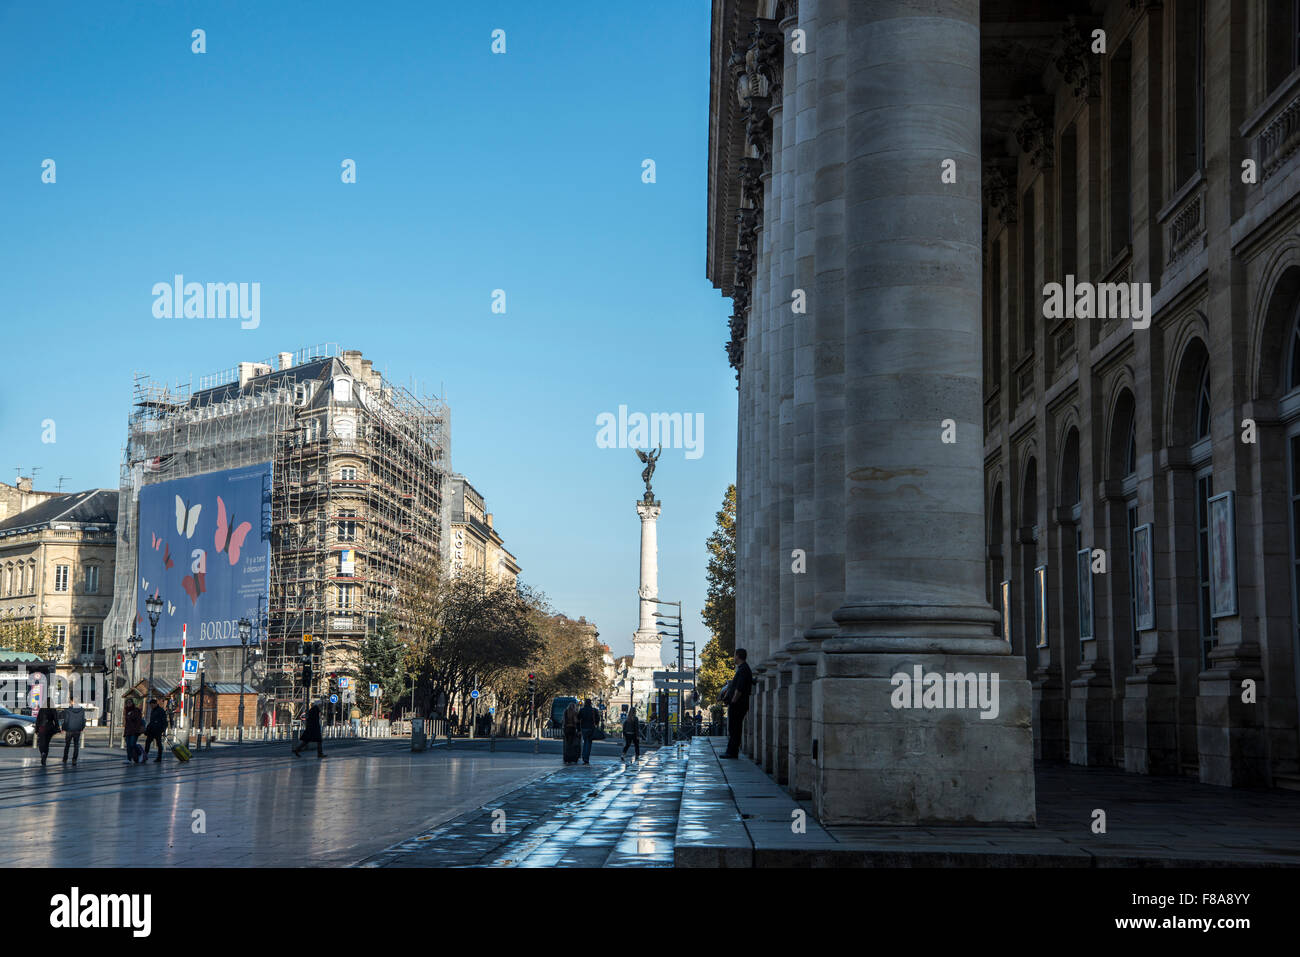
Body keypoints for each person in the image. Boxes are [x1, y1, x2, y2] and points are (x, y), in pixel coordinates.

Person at [722, 648, 753, 759]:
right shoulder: (743, 669)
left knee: (734, 728)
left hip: (738, 704)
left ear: (738, 656)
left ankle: (732, 752)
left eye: (734, 655)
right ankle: (731, 751)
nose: (733, 658)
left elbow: (739, 688)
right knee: (735, 728)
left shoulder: (743, 670)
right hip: (739, 703)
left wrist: (733, 701)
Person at [61, 696, 87, 765]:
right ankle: (74, 760)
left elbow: (66, 721)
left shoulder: (68, 710)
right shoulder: (82, 710)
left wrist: (63, 728)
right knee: (76, 745)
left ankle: (65, 758)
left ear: (72, 701)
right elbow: (83, 720)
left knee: (67, 745)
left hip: (69, 730)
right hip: (77, 730)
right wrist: (82, 728)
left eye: (70, 701)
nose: (69, 702)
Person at [35, 700, 61, 767]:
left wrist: (36, 729)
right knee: (47, 743)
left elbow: (38, 719)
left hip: (42, 728)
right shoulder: (53, 709)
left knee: (41, 742)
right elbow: (56, 719)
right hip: (50, 728)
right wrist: (57, 728)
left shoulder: (41, 709)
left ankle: (42, 753)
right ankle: (45, 756)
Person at [143, 698, 169, 763]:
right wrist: (147, 729)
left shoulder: (160, 710)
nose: (151, 706)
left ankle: (159, 757)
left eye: (152, 705)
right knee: (147, 743)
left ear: (155, 704)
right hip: (152, 730)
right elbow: (152, 721)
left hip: (158, 730)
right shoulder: (153, 710)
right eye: (150, 705)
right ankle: (145, 756)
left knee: (159, 744)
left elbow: (164, 721)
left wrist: (162, 729)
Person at [578, 697, 599, 765]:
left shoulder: (582, 710)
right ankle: (586, 758)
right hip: (591, 728)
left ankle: (584, 756)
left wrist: (579, 728)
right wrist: (595, 724)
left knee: (585, 742)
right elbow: (597, 719)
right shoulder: (594, 710)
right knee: (589, 743)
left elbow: (578, 718)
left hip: (584, 728)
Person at [123, 699, 144, 764]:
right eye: (127, 703)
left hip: (134, 731)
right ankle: (129, 759)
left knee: (132, 744)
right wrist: (125, 732)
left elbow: (138, 721)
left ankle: (140, 754)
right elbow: (127, 723)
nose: (128, 704)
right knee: (128, 746)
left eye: (130, 702)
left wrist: (137, 730)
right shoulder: (126, 711)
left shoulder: (136, 710)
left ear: (132, 703)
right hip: (128, 731)